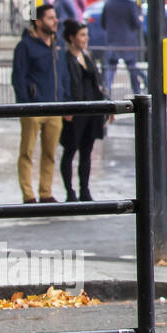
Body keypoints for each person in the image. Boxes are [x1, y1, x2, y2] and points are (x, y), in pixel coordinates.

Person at [11, 4, 70, 204]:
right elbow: (18, 77)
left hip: (55, 107)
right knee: (27, 152)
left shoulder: (58, 45)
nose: (55, 21)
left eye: (55, 17)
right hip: (33, 107)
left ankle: (46, 192)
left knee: (50, 153)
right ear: (38, 22)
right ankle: (28, 195)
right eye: (51, 18)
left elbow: (64, 76)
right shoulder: (25, 46)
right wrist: (25, 104)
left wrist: (66, 103)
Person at [59, 20, 109, 202]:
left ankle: (85, 191)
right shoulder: (65, 60)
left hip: (91, 111)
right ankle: (70, 192)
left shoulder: (87, 56)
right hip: (74, 112)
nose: (86, 38)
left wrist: (107, 105)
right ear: (72, 38)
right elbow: (63, 86)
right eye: (82, 35)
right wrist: (65, 107)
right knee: (70, 151)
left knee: (86, 153)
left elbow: (98, 84)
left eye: (86, 34)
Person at [100, 0, 145, 95]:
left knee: (110, 69)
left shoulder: (109, 3)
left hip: (113, 42)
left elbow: (103, 23)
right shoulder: (130, 5)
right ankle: (137, 92)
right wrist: (140, 19)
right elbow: (137, 24)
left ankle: (107, 91)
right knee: (132, 69)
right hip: (127, 43)